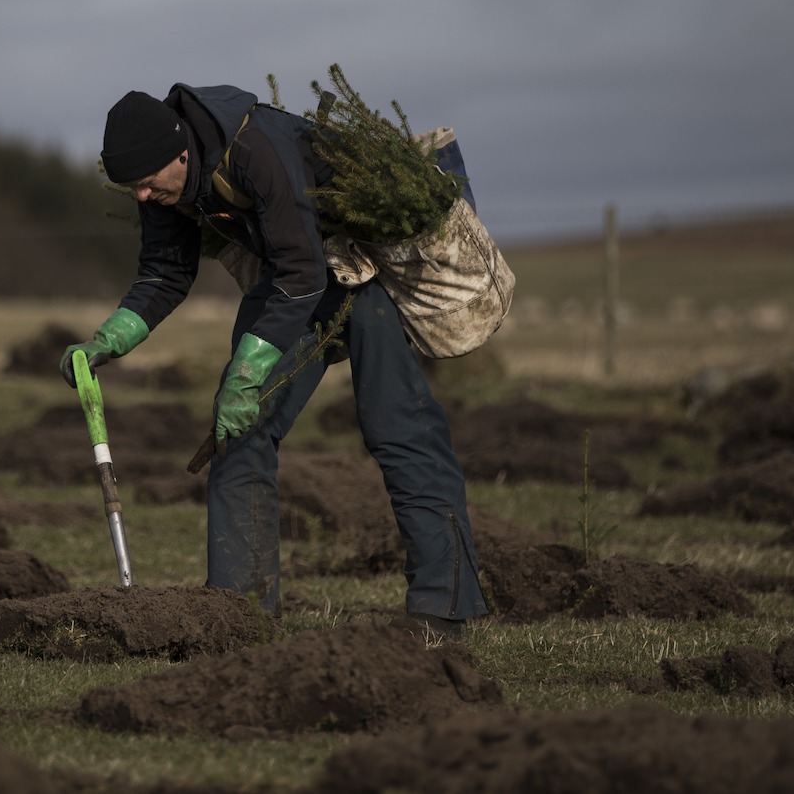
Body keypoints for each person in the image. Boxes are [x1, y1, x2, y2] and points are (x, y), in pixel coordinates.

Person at [59, 83, 488, 639]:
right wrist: (107, 341)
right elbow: (164, 273)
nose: (140, 197)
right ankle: (240, 615)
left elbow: (303, 272)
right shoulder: (167, 186)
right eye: (132, 187)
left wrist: (248, 370)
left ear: (181, 152)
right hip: (294, 280)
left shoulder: (255, 148)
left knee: (396, 425)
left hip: (355, 270)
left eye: (145, 182)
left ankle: (443, 608)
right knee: (239, 431)